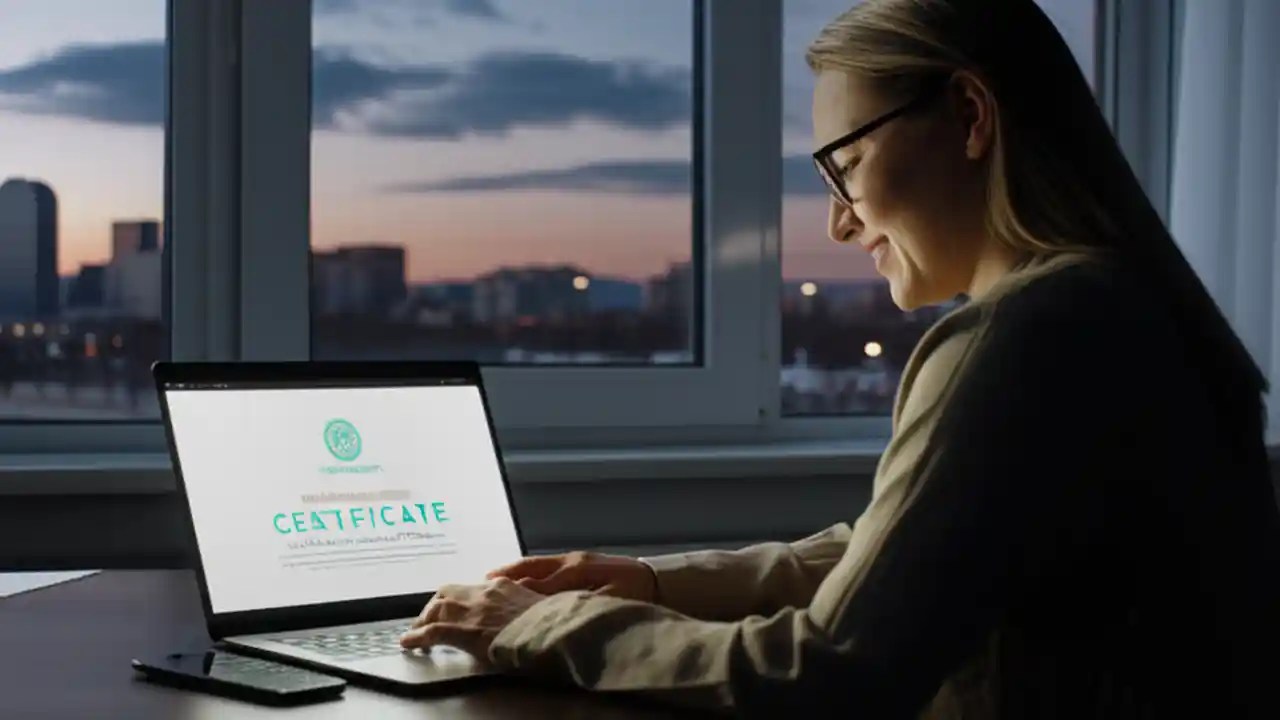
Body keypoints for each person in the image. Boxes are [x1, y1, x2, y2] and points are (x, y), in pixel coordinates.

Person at [401, 1, 1280, 716]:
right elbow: (901, 555)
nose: (839, 223)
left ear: (970, 117)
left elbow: (824, 674)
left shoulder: (1027, 335)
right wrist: (652, 584)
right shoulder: (1120, 305)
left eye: (844, 165)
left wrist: (550, 625)